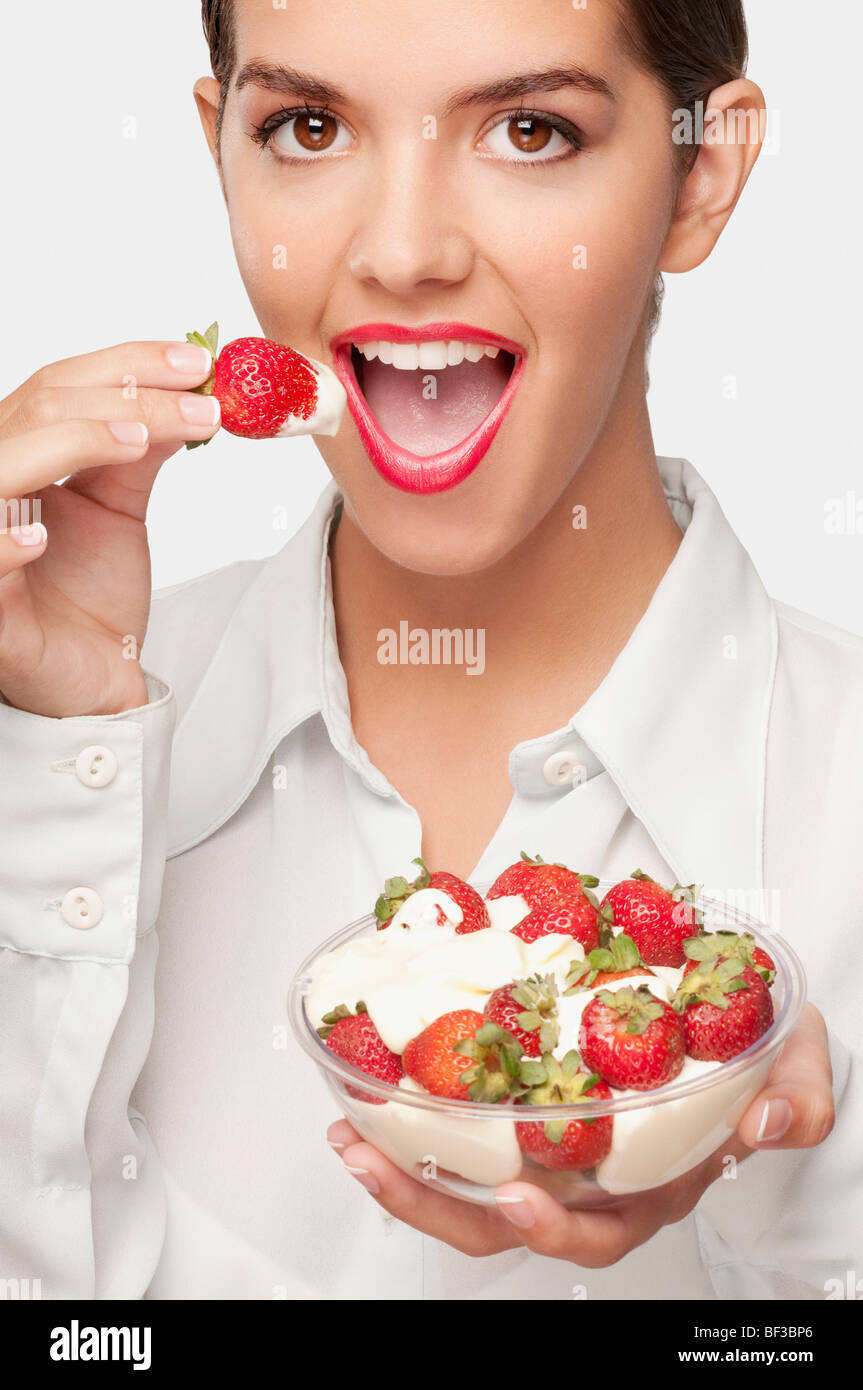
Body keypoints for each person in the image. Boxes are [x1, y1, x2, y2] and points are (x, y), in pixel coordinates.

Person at [0, 0, 857, 1300]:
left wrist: (779, 1189)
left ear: (703, 172)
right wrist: (53, 756)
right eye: (308, 124)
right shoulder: (52, 727)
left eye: (528, 129)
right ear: (217, 145)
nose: (401, 251)